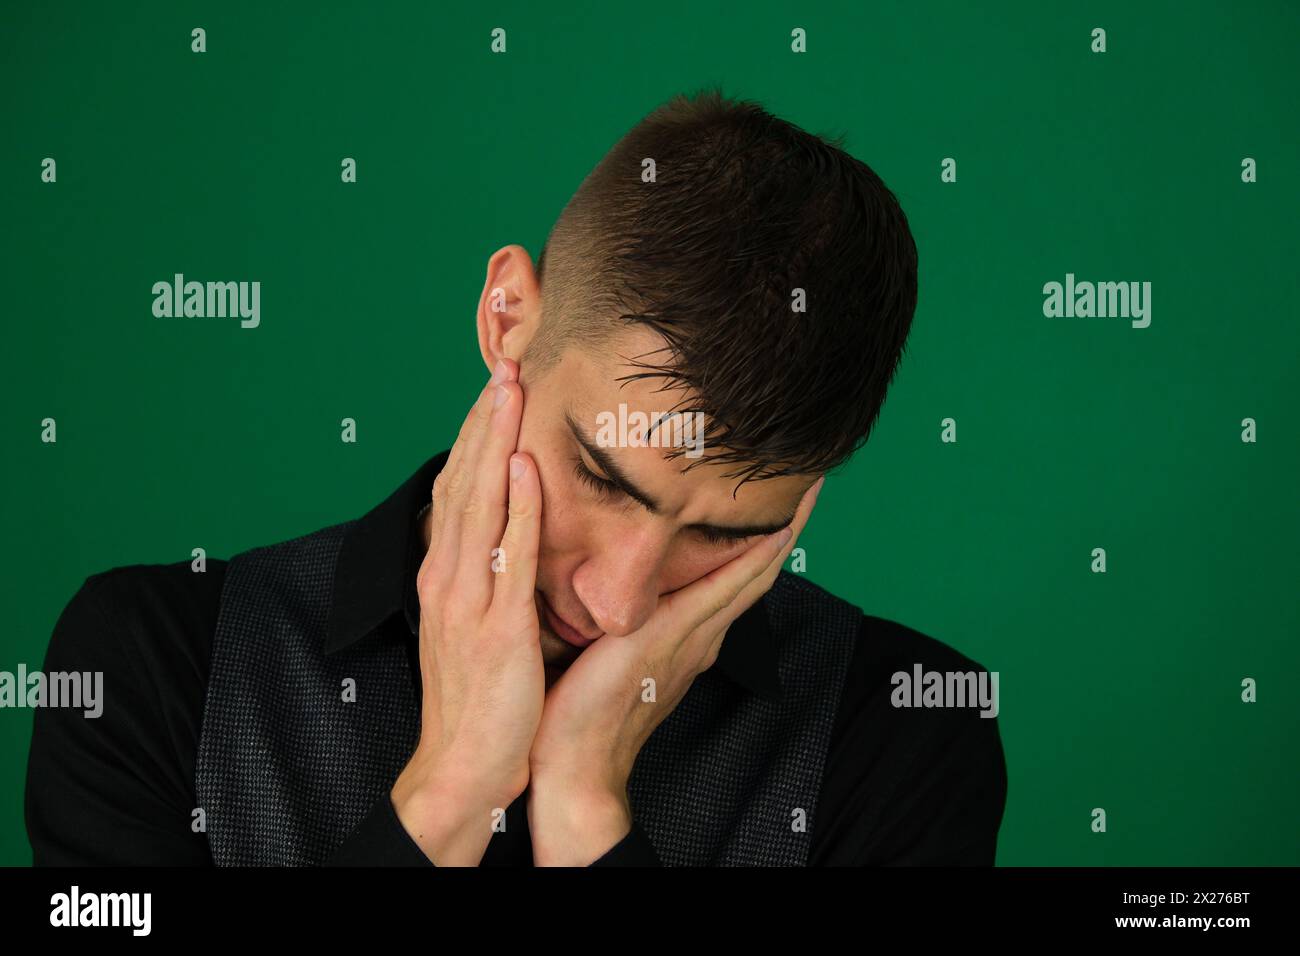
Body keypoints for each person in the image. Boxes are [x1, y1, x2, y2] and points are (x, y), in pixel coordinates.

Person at [26, 88, 1006, 866]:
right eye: (605, 476)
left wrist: (586, 802)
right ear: (508, 317)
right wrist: (448, 792)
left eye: (725, 532)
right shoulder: (150, 673)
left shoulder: (901, 738)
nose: (619, 604)